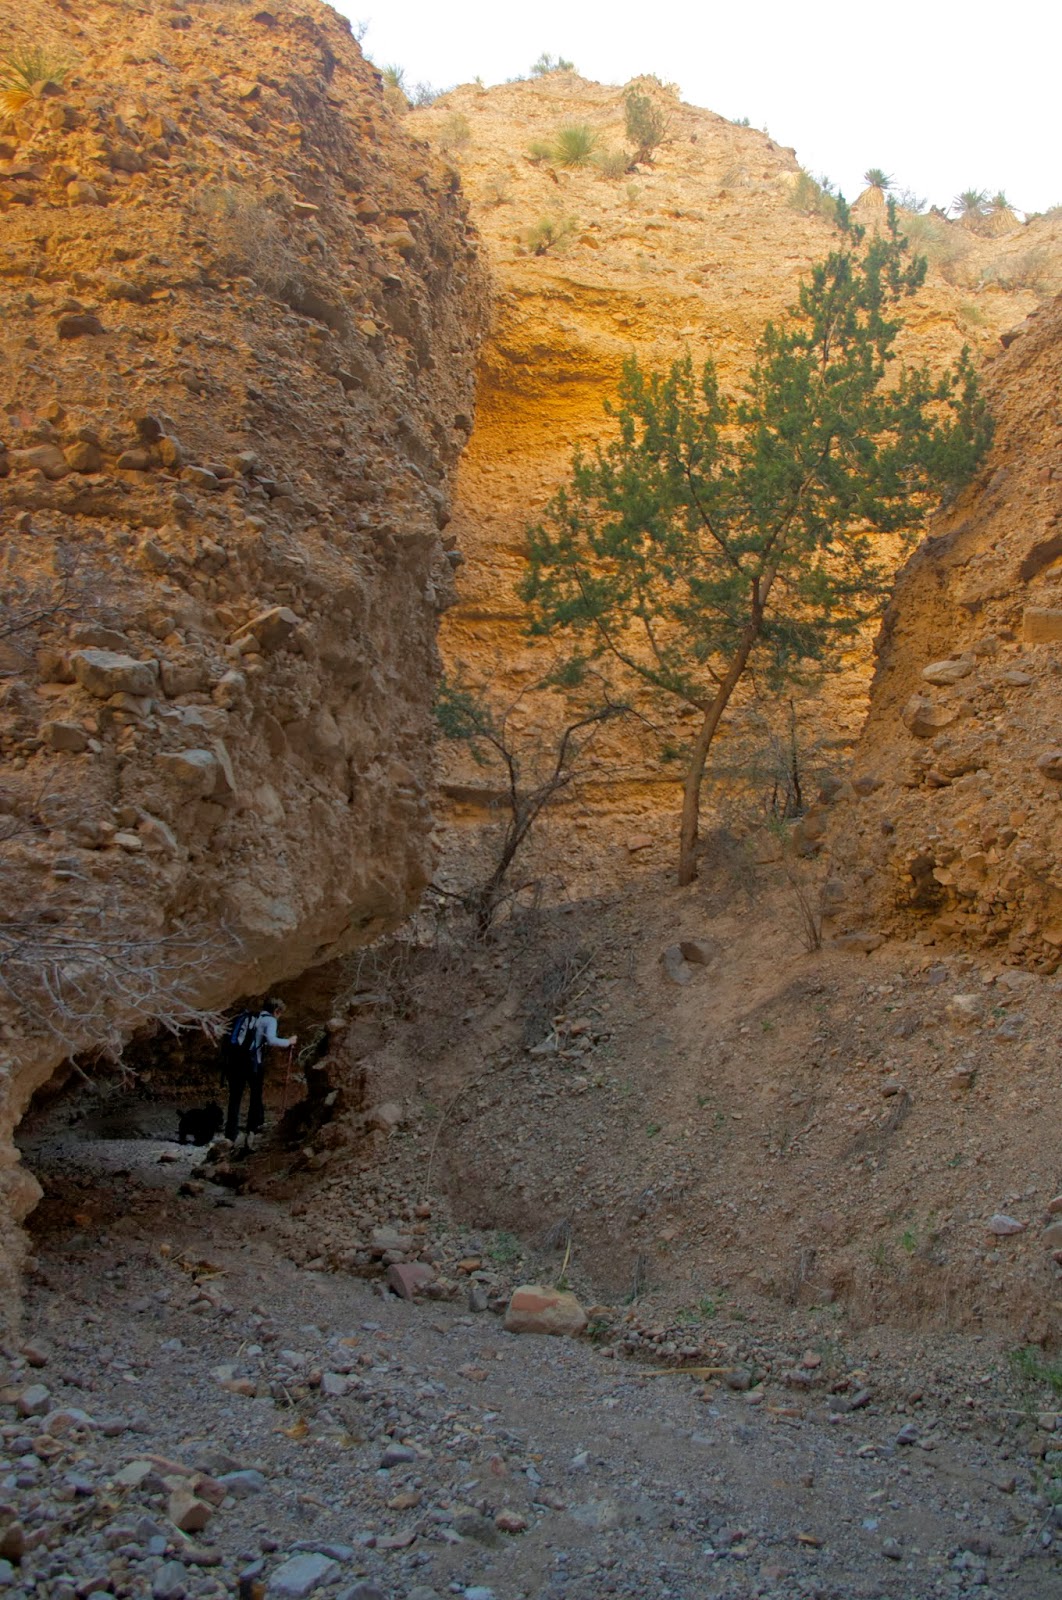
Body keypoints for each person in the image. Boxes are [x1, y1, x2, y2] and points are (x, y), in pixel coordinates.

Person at [223, 998, 297, 1145]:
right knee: (255, 1095)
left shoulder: (251, 1017)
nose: (279, 1016)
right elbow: (271, 1040)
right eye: (280, 1013)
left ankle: (230, 1134)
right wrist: (288, 1042)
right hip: (252, 1064)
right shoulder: (270, 1020)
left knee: (235, 1097)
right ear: (276, 1011)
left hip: (235, 1062)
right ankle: (254, 1129)